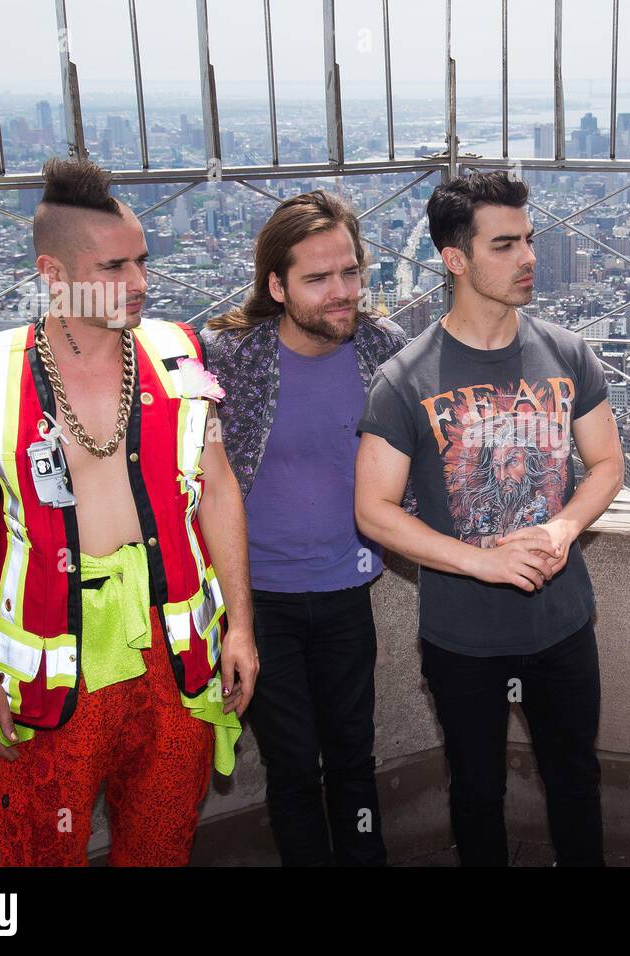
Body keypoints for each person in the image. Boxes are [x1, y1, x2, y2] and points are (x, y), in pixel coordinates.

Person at [0, 157, 257, 866]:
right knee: (39, 851)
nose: (140, 283)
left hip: (175, 656)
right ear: (53, 273)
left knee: (161, 845)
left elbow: (219, 487)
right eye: (114, 267)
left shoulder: (179, 352)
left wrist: (242, 626)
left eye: (142, 261)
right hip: (54, 673)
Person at [355, 171, 624, 866]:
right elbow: (373, 510)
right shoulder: (404, 380)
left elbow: (606, 465)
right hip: (463, 637)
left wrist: (563, 528)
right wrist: (482, 561)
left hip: (562, 623)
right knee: (476, 793)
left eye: (529, 240)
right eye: (504, 245)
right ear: (456, 259)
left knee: (576, 782)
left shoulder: (568, 352)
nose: (528, 257)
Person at [203, 189, 412, 866]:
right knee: (294, 768)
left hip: (348, 589)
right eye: (317, 278)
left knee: (354, 756)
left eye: (350, 272)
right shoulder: (230, 357)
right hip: (259, 598)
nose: (341, 292)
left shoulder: (384, 350)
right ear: (276, 284)